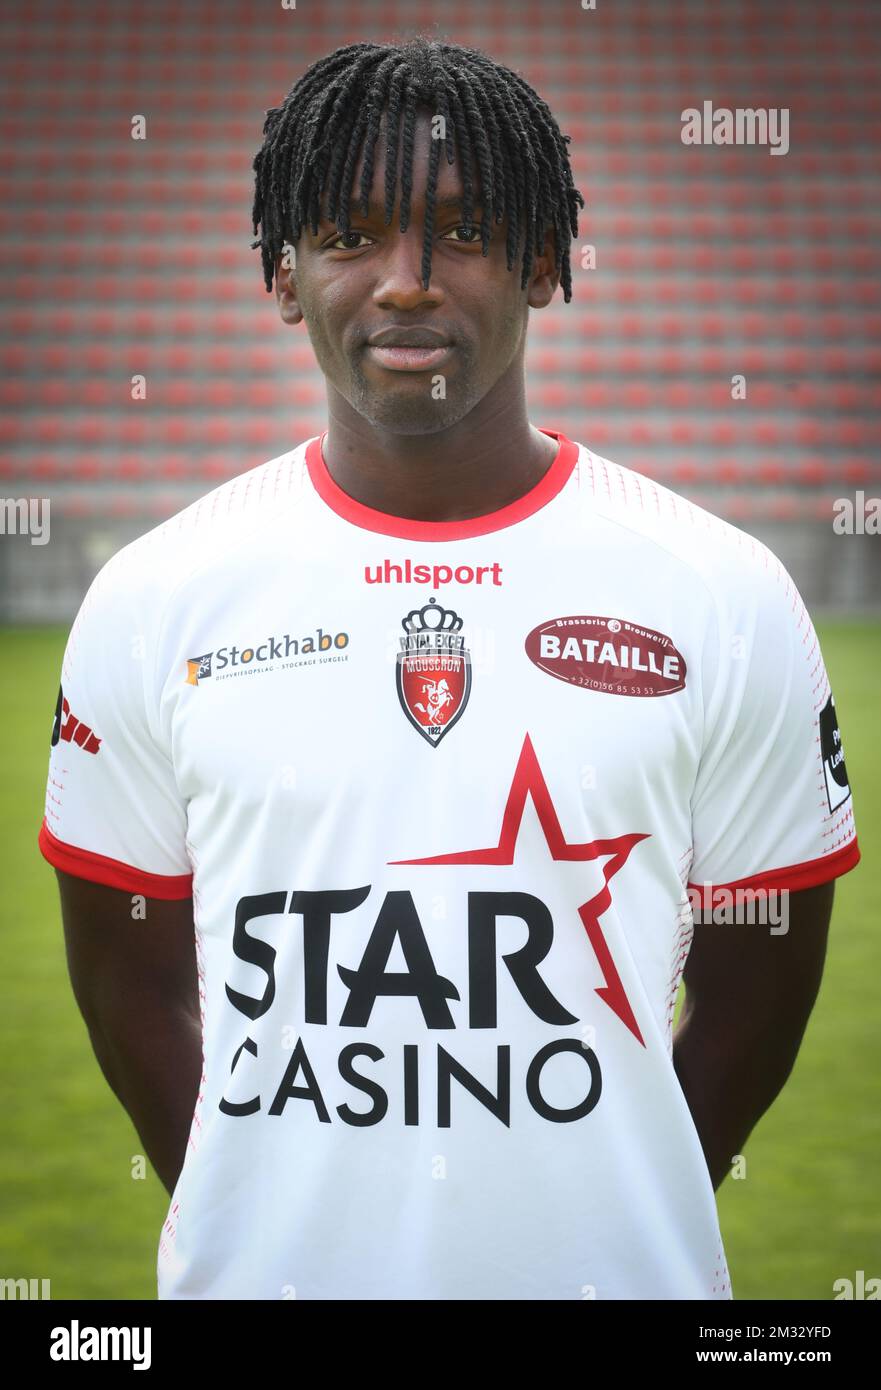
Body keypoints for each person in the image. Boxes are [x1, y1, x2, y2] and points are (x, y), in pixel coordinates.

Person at [38, 35, 860, 1301]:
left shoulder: (717, 592)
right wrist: (250, 1215)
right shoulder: (154, 597)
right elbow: (127, 982)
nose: (405, 284)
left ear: (541, 261)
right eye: (348, 234)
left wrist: (609, 1209)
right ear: (282, 272)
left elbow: (762, 981)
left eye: (463, 233)